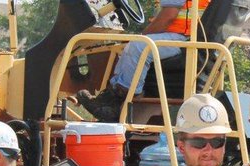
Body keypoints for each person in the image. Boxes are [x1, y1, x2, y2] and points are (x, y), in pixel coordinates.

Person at [78, 0, 208, 120]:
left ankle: (122, 100)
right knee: (126, 48)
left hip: (183, 38)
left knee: (137, 47)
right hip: (187, 38)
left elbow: (168, 16)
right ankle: (112, 95)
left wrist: (142, 36)